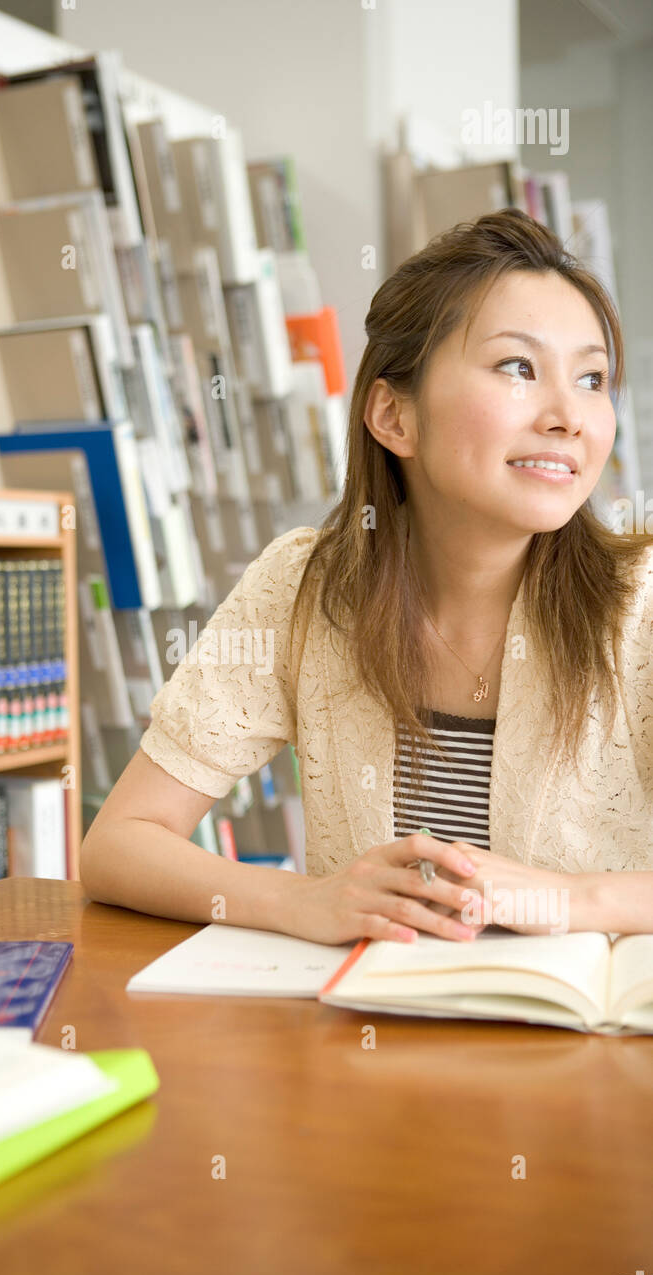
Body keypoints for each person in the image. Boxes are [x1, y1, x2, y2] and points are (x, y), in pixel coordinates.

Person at [80, 208, 653, 945]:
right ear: (394, 415)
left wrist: (562, 899)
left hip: (579, 1051)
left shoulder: (639, 602)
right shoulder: (302, 586)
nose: (570, 416)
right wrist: (304, 901)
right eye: (518, 367)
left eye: (593, 378)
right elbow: (119, 843)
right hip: (363, 1041)